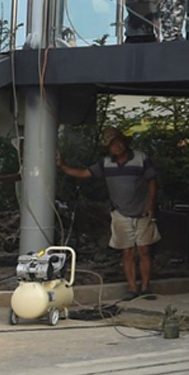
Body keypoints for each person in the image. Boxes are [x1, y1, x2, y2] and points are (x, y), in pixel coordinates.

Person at [56, 127, 161, 297]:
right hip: (120, 212)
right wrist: (62, 167)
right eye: (112, 144)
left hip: (143, 212)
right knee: (127, 251)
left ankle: (146, 288)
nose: (117, 146)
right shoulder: (105, 163)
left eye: (119, 142)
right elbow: (84, 173)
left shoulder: (141, 158)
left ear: (124, 142)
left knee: (144, 250)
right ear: (108, 148)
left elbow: (152, 181)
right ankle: (132, 288)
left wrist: (150, 204)